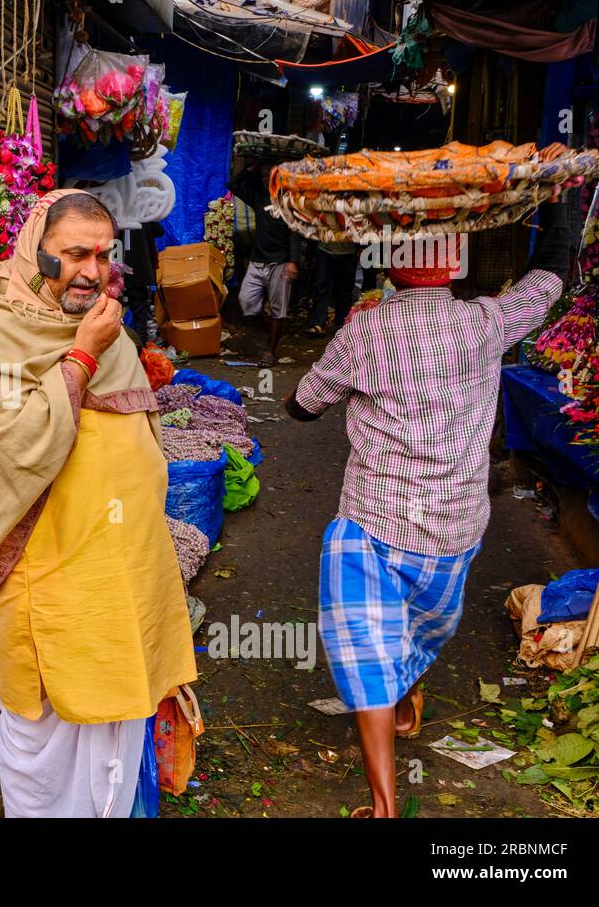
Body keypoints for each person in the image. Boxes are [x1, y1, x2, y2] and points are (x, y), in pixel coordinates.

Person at [284, 147, 575, 818]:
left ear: (388, 261)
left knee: (368, 649)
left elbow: (302, 404)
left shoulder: (366, 330)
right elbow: (552, 274)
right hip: (453, 530)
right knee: (410, 634)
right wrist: (557, 194)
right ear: (458, 263)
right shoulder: (487, 322)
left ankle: (388, 768)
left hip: (372, 525)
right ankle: (387, 797)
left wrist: (342, 375)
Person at [0, 189, 196, 818]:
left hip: (124, 571)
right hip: (48, 574)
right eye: (76, 254)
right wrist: (82, 352)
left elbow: (143, 430)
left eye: (104, 255)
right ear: (37, 251)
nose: (93, 270)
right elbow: (18, 446)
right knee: (41, 731)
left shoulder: (109, 325)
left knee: (115, 714)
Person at [228, 156, 305, 365]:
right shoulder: (259, 197)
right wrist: (250, 168)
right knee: (246, 303)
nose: (264, 179)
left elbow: (295, 234)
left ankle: (271, 351)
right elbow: (232, 185)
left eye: (268, 176)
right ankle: (270, 328)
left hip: (280, 263)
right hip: (257, 261)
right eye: (262, 176)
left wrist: (293, 262)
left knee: (278, 310)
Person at [307, 239, 360, 337]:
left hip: (348, 252)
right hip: (325, 250)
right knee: (321, 287)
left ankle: (342, 324)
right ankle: (318, 323)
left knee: (345, 291)